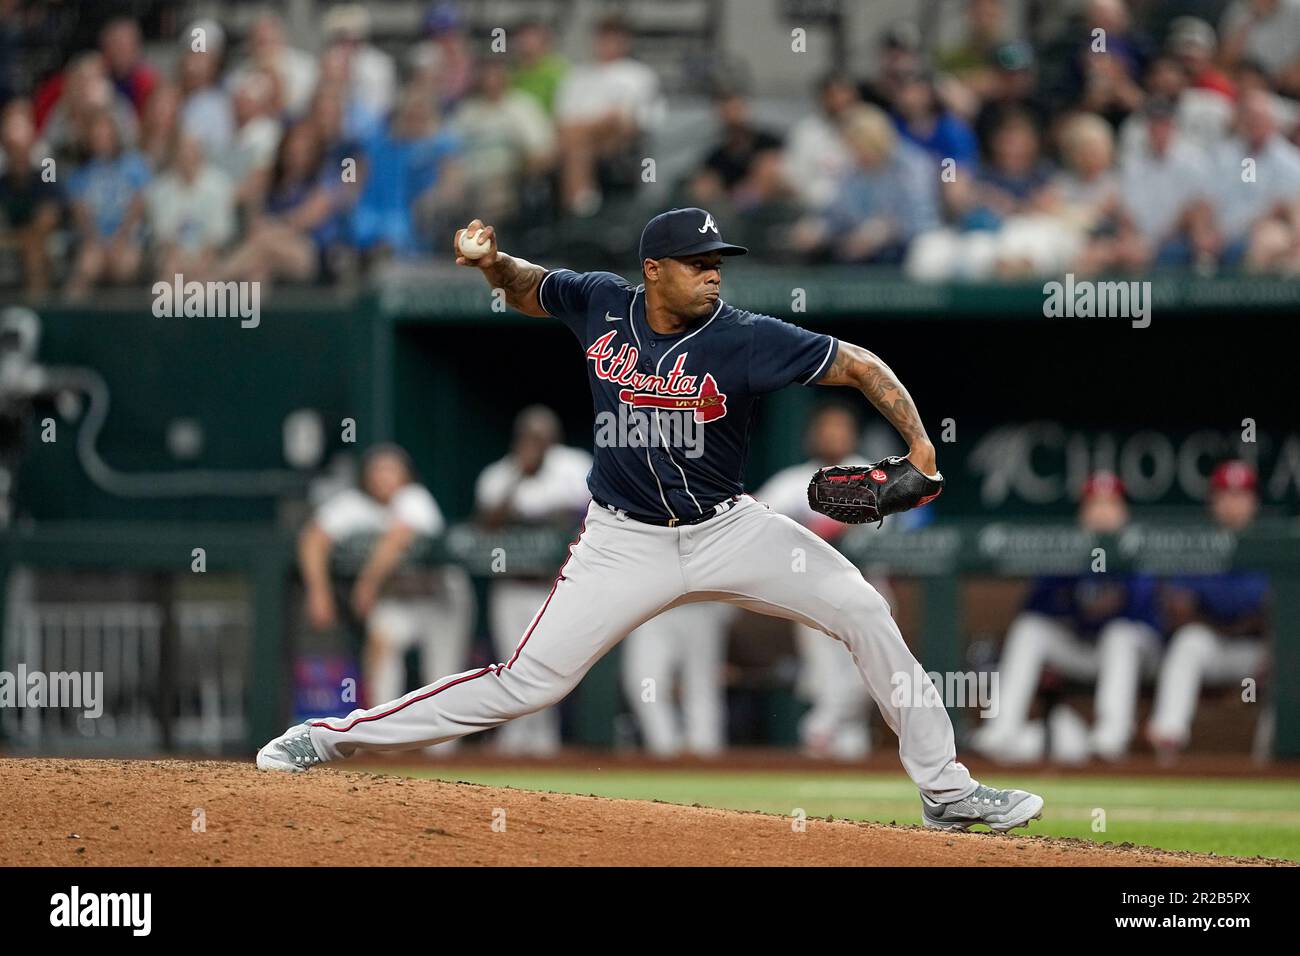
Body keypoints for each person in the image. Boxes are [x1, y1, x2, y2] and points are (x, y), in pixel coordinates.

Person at [258, 205, 1045, 835]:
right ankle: (326, 736)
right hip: (622, 539)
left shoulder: (744, 337)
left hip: (727, 528)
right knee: (526, 684)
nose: (713, 275)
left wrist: (919, 449)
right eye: (699, 263)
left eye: (718, 263)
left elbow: (860, 364)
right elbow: (533, 287)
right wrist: (491, 263)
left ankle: (946, 790)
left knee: (865, 610)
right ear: (653, 270)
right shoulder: (603, 302)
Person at [969, 473, 1163, 763]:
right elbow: (1034, 605)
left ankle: (1112, 736)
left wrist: (1102, 608)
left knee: (1119, 634)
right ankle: (1002, 729)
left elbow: (1140, 609)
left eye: (1110, 504)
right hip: (1084, 647)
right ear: (1082, 512)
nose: (1102, 512)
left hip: (1138, 655)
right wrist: (1071, 596)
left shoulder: (1137, 550)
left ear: (1124, 511)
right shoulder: (1070, 549)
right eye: (1094, 504)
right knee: (1030, 629)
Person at [298, 445, 474, 744]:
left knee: (441, 675)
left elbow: (399, 536)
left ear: (406, 475)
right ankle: (380, 738)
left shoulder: (414, 498)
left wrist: (366, 584)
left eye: (392, 469)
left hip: (440, 597)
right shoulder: (353, 504)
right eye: (378, 469)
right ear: (365, 476)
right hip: (398, 598)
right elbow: (313, 538)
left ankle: (443, 753)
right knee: (381, 645)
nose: (384, 477)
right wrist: (319, 592)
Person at [755, 404, 874, 759]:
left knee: (868, 674)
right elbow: (757, 516)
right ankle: (830, 737)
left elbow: (913, 514)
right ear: (814, 436)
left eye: (842, 428)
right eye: (827, 429)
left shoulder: (873, 472)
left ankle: (819, 727)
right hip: (815, 593)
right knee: (825, 679)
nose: (834, 436)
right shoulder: (795, 481)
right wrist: (804, 533)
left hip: (871, 587)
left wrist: (837, 524)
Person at [475, 406, 592, 756]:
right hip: (511, 585)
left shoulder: (572, 465)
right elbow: (485, 525)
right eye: (528, 436)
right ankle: (515, 741)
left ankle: (546, 745)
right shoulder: (500, 474)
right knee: (512, 664)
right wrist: (517, 479)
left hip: (556, 584)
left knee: (548, 664)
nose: (535, 443)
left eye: (541, 437)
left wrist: (551, 518)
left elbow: (591, 513)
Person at [1146, 460, 1270, 761]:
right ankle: (1168, 740)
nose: (1233, 504)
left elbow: (1277, 616)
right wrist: (1239, 622)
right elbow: (1179, 614)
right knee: (1190, 641)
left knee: (1290, 658)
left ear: (1254, 502)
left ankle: (1276, 759)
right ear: (1213, 501)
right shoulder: (1196, 546)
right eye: (1226, 495)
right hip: (1213, 648)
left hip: (1259, 653)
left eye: (1241, 495)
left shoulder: (1273, 544)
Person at [553, 15, 663, 216]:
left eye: (614, 38)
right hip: (581, 141)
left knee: (586, 135)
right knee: (577, 143)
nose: (607, 44)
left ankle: (580, 206)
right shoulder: (577, 76)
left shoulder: (638, 74)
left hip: (619, 139)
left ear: (625, 41)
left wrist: (600, 124)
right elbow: (563, 120)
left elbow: (640, 120)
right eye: (603, 38)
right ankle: (582, 205)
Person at [621, 602, 732, 758]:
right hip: (653, 606)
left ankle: (705, 754)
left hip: (703, 605)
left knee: (701, 686)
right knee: (646, 684)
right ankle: (663, 751)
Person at [0, 98, 62, 295]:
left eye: (20, 127)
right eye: (9, 127)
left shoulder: (46, 166)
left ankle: (39, 312)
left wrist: (24, 238)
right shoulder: (2, 173)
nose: (14, 137)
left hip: (44, 239)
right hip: (9, 236)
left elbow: (48, 218)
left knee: (34, 251)